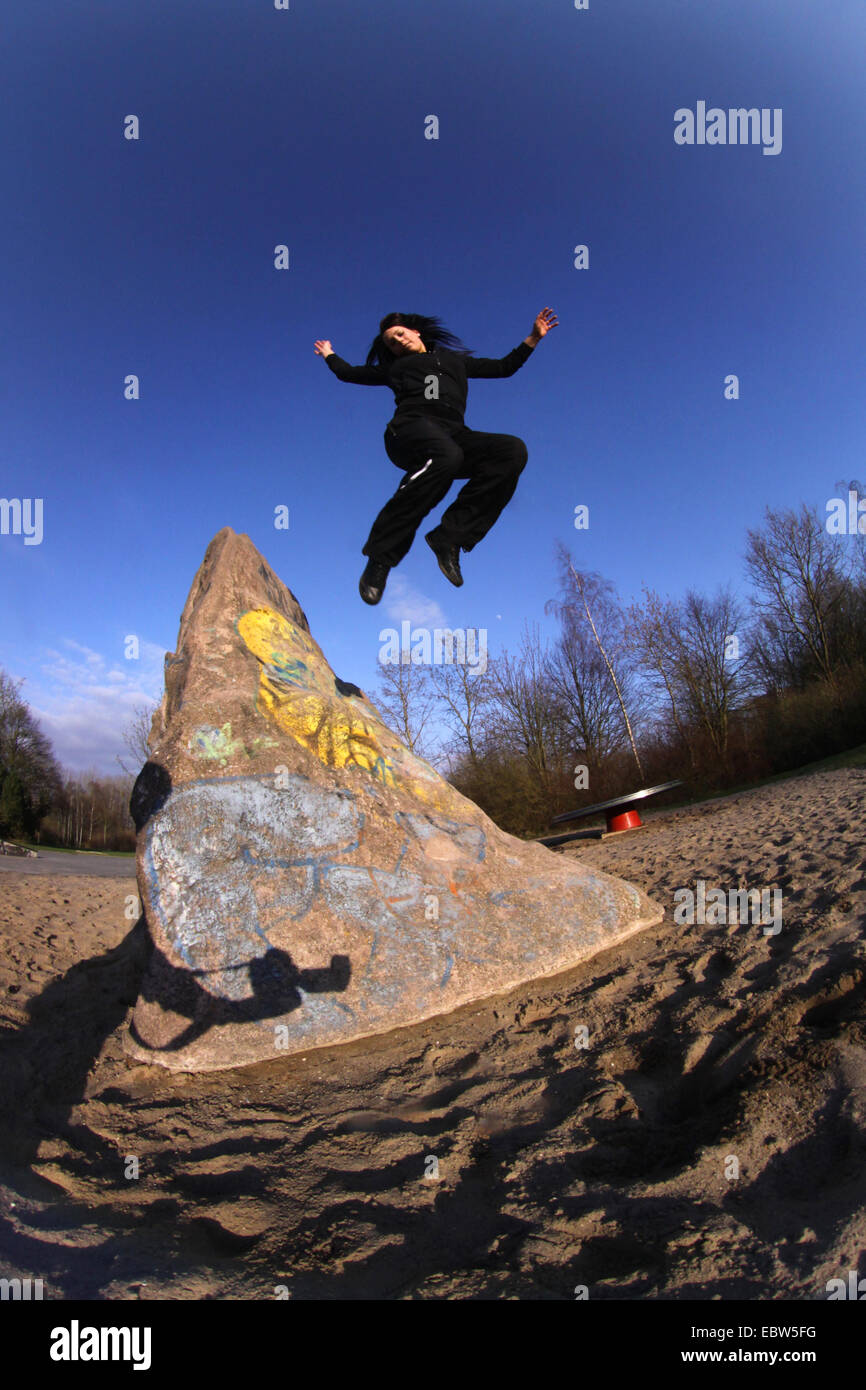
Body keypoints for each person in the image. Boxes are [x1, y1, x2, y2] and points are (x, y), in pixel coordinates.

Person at [314, 307, 558, 603]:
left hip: (453, 433)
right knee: (447, 455)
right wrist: (329, 354)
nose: (398, 342)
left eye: (400, 334)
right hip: (408, 430)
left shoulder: (455, 361)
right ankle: (380, 558)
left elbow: (504, 367)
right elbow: (349, 373)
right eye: (391, 342)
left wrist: (533, 338)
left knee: (510, 451)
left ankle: (450, 537)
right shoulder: (394, 369)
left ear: (416, 331)